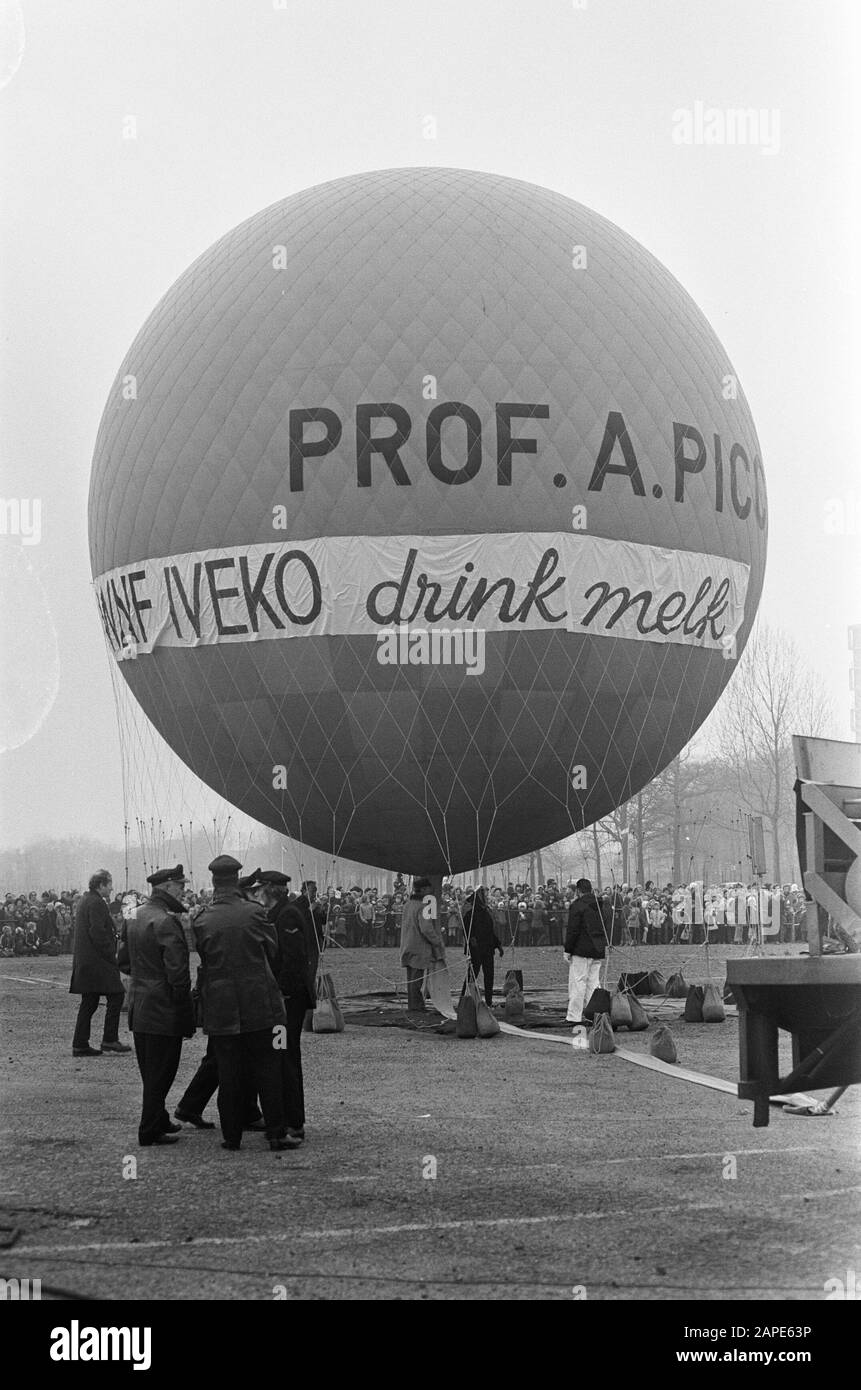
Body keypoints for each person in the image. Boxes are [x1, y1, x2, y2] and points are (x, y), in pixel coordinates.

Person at [192, 855, 291, 1152]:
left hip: (221, 1007)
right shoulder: (255, 913)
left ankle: (231, 1136)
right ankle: (276, 1133)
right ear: (237, 880)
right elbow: (273, 952)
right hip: (260, 1003)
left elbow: (205, 959)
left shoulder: (202, 919)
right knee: (269, 1068)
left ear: (213, 882)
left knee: (228, 1071)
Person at [117, 865, 194, 1147]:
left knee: (150, 1067)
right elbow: (178, 973)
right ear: (169, 888)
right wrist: (184, 1006)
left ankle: (159, 1118)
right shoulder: (165, 921)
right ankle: (149, 1129)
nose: (184, 891)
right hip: (163, 1005)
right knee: (162, 1070)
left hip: (140, 1002)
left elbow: (123, 960)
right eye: (181, 886)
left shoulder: (133, 915)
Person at [253, 870, 312, 1143]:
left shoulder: (287, 915)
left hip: (288, 1002)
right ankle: (287, 1117)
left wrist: (284, 993)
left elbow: (294, 959)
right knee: (280, 1056)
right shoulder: (277, 913)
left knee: (286, 1058)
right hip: (281, 1001)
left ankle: (293, 1121)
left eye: (260, 889)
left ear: (270, 889)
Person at [69, 870, 131, 1057]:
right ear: (101, 885)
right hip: (97, 961)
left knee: (89, 1001)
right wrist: (111, 954)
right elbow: (97, 932)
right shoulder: (96, 903)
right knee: (117, 994)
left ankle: (80, 1043)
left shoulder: (86, 900)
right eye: (109, 884)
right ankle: (109, 1039)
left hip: (87, 961)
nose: (112, 888)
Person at [563, 877, 608, 1049]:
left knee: (578, 982)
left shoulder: (577, 906)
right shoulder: (600, 904)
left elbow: (573, 930)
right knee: (593, 983)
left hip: (581, 950)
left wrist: (568, 949)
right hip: (597, 949)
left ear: (578, 890)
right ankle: (594, 1014)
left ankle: (574, 1016)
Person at [399, 876, 446, 1011]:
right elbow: (426, 929)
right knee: (416, 979)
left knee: (411, 978)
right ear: (424, 889)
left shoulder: (408, 905)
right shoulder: (423, 907)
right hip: (419, 947)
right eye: (429, 888)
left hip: (407, 944)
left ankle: (413, 1005)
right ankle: (417, 1006)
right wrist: (437, 942)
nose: (432, 891)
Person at [462, 887, 503, 1006]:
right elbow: (466, 931)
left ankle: (489, 1002)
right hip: (476, 949)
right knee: (472, 974)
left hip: (488, 948)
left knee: (489, 975)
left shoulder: (486, 912)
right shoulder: (470, 914)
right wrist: (471, 940)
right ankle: (464, 998)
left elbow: (490, 931)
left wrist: (498, 945)